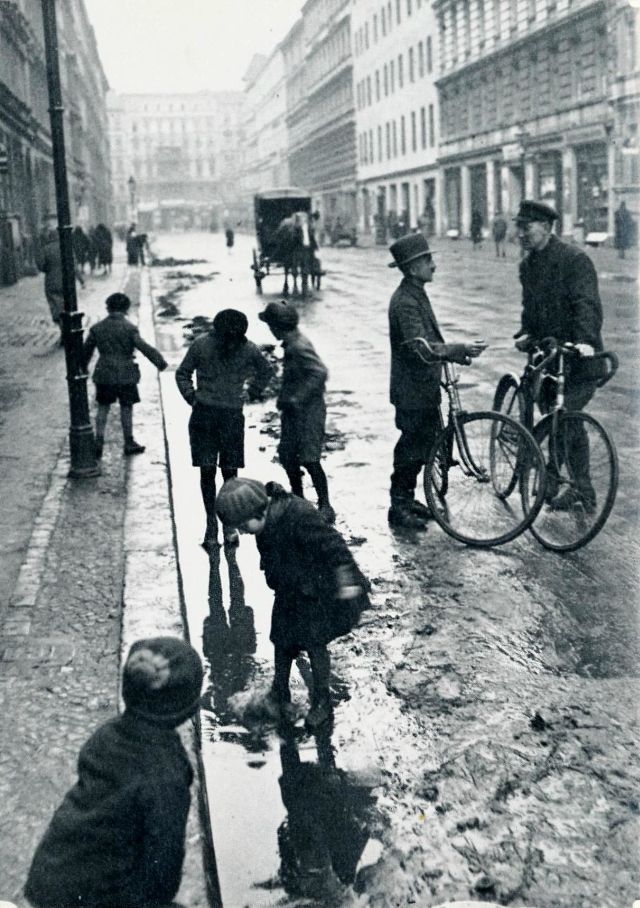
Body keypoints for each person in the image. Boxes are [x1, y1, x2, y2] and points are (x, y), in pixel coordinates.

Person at [24, 636, 204, 908]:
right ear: (186, 708)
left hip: (50, 874)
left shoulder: (107, 734)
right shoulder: (167, 773)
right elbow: (164, 868)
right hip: (93, 896)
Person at [215, 478, 369, 729]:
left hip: (317, 591)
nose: (242, 532)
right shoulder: (265, 518)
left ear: (259, 510)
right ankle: (279, 692)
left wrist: (346, 583)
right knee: (282, 640)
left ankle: (322, 702)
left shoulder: (300, 515)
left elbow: (335, 548)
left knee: (314, 644)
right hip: (290, 589)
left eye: (244, 526)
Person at [387, 233, 487, 529]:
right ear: (413, 266)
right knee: (410, 446)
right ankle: (399, 505)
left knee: (422, 444)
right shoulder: (405, 301)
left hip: (422, 387)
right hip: (411, 389)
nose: (434, 265)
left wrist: (453, 355)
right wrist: (458, 350)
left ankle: (407, 498)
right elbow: (421, 347)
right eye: (428, 260)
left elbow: (428, 342)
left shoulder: (415, 292)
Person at [514, 199, 604, 511]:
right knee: (566, 422)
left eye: (527, 228)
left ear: (547, 228)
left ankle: (551, 477)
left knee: (564, 418)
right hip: (548, 359)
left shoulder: (574, 260)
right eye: (519, 228)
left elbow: (586, 305)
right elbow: (531, 308)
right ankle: (583, 488)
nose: (521, 234)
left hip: (578, 359)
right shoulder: (527, 266)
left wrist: (585, 341)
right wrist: (526, 332)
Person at [175, 308, 273, 549]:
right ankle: (212, 523)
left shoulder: (246, 348)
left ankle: (227, 524)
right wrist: (192, 397)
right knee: (208, 471)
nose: (231, 343)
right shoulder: (203, 345)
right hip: (206, 415)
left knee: (229, 473)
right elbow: (183, 373)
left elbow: (265, 371)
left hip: (228, 416)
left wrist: (251, 392)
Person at [258, 301, 335, 523]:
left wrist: (296, 398)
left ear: (276, 326)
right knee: (288, 455)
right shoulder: (291, 344)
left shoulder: (298, 346)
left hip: (309, 411)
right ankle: (299, 500)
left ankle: (325, 505)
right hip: (295, 411)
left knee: (310, 458)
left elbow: (319, 372)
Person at [83, 292, 168, 458]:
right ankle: (128, 441)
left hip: (104, 372)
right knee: (126, 407)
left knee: (103, 406)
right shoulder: (129, 328)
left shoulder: (97, 328)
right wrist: (160, 362)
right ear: (126, 308)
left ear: (108, 308)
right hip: (125, 373)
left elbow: (86, 351)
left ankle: (98, 441)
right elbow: (144, 347)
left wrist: (83, 368)